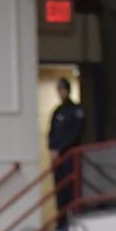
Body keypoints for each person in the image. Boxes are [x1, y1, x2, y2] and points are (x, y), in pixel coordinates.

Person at [47, 77, 85, 220]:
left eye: (63, 89)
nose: (61, 93)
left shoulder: (76, 110)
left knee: (71, 188)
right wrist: (52, 149)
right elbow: (51, 133)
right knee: (60, 189)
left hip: (69, 155)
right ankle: (61, 219)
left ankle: (74, 216)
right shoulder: (57, 112)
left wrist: (61, 149)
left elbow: (76, 133)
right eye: (59, 90)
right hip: (59, 158)